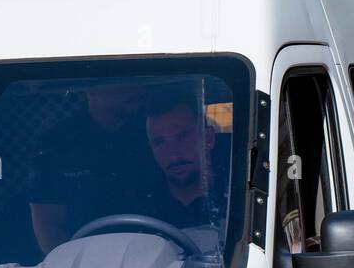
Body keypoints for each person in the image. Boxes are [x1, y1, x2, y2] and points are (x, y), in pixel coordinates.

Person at [28, 83, 159, 254]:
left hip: (164, 264)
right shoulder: (56, 145)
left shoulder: (161, 131)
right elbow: (48, 227)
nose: (138, 88)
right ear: (90, 87)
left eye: (137, 81)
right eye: (122, 82)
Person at [142, 92, 229, 233]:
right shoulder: (141, 215)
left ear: (208, 138)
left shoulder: (240, 202)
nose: (173, 153)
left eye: (182, 136)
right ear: (152, 150)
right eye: (160, 142)